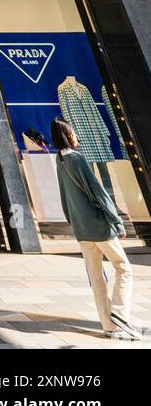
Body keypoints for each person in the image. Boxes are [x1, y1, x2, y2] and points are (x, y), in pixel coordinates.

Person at [51, 118, 140, 340]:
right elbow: (98, 193)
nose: (76, 135)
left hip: (81, 229)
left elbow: (64, 197)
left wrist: (74, 223)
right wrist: (117, 221)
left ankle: (108, 325)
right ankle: (119, 314)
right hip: (99, 226)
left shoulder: (59, 159)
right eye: (73, 132)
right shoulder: (77, 159)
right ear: (68, 135)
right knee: (124, 268)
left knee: (96, 277)